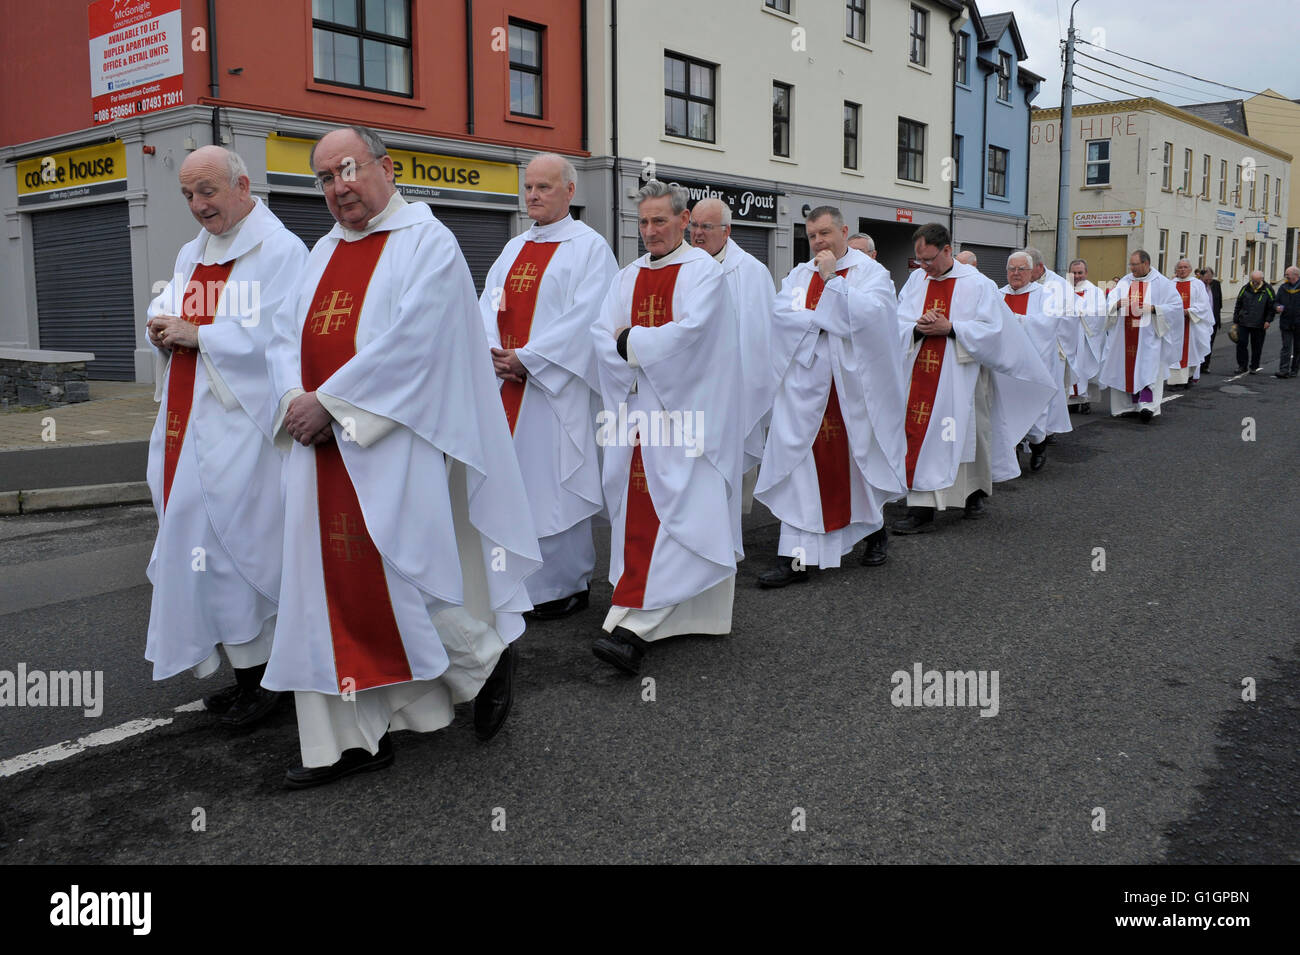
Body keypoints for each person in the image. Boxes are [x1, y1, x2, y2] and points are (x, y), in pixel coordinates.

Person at [263, 125, 542, 788]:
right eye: (325, 178)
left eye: (349, 170)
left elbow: (417, 346)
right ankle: (350, 741)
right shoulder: (320, 252)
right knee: (323, 586)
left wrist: (331, 403)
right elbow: (280, 335)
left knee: (395, 576)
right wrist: (294, 400)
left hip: (390, 442)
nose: (338, 188)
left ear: (386, 167)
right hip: (317, 446)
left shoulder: (429, 243)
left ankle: (481, 657)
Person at [143, 146, 307, 729]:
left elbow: (283, 337)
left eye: (207, 191)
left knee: (244, 547)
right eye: (188, 195)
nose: (197, 205)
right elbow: (170, 301)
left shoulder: (281, 250)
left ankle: (272, 682)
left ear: (242, 185)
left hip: (243, 429)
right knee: (204, 549)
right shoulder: (195, 250)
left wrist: (202, 335)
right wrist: (161, 324)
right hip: (188, 421)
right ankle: (244, 675)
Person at [589, 180, 743, 675]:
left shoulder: (704, 273)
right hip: (636, 414)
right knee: (638, 507)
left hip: (684, 417)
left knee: (678, 512)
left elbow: (695, 337)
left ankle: (641, 623)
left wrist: (630, 341)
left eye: (660, 221)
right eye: (644, 222)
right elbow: (600, 334)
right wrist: (627, 347)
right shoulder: (626, 275)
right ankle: (635, 603)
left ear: (684, 222)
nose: (650, 231)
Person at [478, 153, 616, 619]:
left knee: (555, 484)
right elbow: (488, 302)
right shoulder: (513, 248)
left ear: (570, 192)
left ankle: (566, 585)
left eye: (544, 188)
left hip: (555, 390)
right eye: (529, 187)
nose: (533, 196)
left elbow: (588, 316)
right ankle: (515, 583)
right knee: (515, 486)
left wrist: (530, 359)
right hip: (508, 387)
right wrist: (495, 352)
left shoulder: (589, 247)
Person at [754, 206, 906, 585]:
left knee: (857, 464)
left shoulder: (871, 273)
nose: (818, 242)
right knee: (799, 468)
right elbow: (782, 317)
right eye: (812, 236)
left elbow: (875, 320)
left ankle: (874, 534)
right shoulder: (798, 275)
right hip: (805, 388)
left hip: (853, 390)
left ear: (843, 230)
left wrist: (831, 282)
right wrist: (828, 320)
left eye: (825, 233)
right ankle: (795, 559)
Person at [891, 224, 1056, 534]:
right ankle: (921, 510)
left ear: (947, 250)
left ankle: (974, 494)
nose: (924, 267)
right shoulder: (916, 280)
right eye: (919, 261)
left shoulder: (978, 284)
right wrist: (916, 327)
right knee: (921, 437)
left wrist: (952, 328)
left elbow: (995, 331)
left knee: (971, 436)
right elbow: (897, 319)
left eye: (929, 259)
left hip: (963, 375)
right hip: (920, 374)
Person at [689, 197, 777, 513]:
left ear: (727, 231)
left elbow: (762, 338)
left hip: (733, 390)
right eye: (694, 226)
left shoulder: (752, 272)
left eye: (706, 227)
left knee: (728, 476)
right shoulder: (680, 266)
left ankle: (728, 545)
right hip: (689, 389)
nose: (697, 234)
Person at [999, 251, 1070, 472]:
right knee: (1002, 411)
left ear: (1032, 272)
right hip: (1002, 365)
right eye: (1012, 269)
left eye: (1021, 269)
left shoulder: (1045, 295)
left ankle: (1039, 446)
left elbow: (1047, 324)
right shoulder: (996, 294)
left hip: (1032, 363)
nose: (1016, 274)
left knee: (1034, 411)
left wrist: (1017, 321)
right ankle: (1006, 460)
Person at [1099, 250, 1184, 422]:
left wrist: (1153, 309)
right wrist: (1116, 304)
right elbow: (1109, 304)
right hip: (1124, 337)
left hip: (1148, 337)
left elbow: (1175, 307)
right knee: (1124, 370)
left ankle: (1146, 406)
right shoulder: (1125, 281)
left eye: (1134, 265)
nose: (1131, 268)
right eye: (1130, 264)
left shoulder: (1162, 283)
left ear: (1146, 263)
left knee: (1147, 371)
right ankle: (1126, 406)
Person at [1066, 258, 1106, 414]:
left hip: (1086, 337)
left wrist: (1082, 315)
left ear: (1086, 273)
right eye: (1073, 273)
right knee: (1069, 368)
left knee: (1084, 367)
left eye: (1080, 273)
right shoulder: (1062, 289)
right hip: (1068, 337)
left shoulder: (1095, 291)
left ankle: (1086, 400)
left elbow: (1101, 312)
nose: (1076, 276)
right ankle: (1071, 400)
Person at [1166, 259, 1213, 388]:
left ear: (1190, 269)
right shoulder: (1170, 284)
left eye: (1185, 267)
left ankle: (1188, 378)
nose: (1182, 270)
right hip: (1174, 326)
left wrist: (1189, 311)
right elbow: (1165, 301)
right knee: (1174, 351)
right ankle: (1176, 381)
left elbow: (1203, 304)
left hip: (1191, 324)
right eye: (1179, 267)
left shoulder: (1197, 284)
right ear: (1176, 270)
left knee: (1191, 352)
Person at [1232, 270, 1274, 374]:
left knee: (1257, 346)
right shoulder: (1245, 288)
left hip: (1259, 323)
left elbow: (1272, 306)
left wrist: (1268, 320)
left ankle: (1254, 366)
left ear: (1262, 279)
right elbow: (1238, 303)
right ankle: (1242, 365)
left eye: (1257, 281)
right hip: (1244, 322)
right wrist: (1236, 319)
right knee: (1241, 344)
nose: (1255, 283)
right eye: (1253, 281)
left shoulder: (1268, 289)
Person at [1273, 266, 1300, 378]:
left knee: (1298, 348)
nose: (1286, 276)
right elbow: (1276, 302)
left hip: (1299, 323)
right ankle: (1283, 370)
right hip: (1286, 322)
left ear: (1295, 275)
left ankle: (1294, 370)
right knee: (1286, 347)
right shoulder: (1283, 288)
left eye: (1287, 274)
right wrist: (1277, 307)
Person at [1198, 267, 1223, 372]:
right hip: (1200, 320)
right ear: (1201, 277)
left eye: (1210, 278)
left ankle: (1205, 365)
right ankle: (1197, 365)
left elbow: (1219, 301)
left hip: (1213, 319)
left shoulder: (1216, 284)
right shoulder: (1198, 285)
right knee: (1199, 343)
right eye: (1206, 279)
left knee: (1210, 342)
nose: (1209, 281)